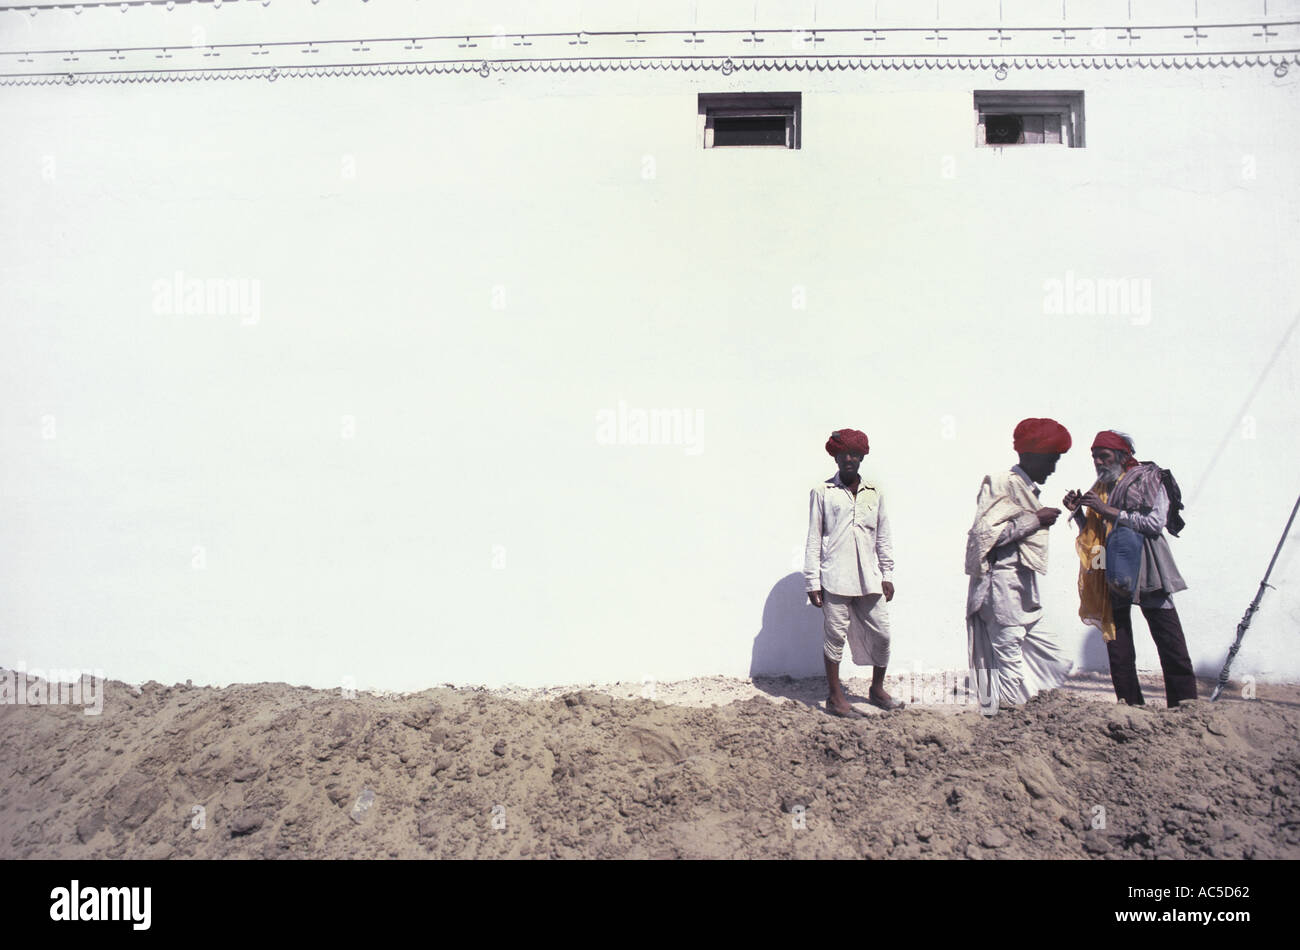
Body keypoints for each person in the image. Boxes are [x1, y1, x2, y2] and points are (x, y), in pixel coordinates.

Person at [1064, 430, 1196, 707]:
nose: (1098, 462)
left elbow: (1153, 523)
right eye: (1094, 457)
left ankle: (1185, 706)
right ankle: (1130, 706)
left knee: (1168, 637)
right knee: (1118, 644)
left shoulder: (1150, 478)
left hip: (1148, 565)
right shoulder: (1101, 487)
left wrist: (1106, 509)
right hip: (1112, 568)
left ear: (1123, 456)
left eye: (1105, 456)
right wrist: (1079, 512)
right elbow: (1095, 532)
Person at [964, 418, 1075, 711]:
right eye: (1051, 460)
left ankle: (1025, 713)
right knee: (1009, 662)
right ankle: (1006, 729)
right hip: (999, 590)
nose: (1053, 468)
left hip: (1023, 590)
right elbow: (984, 536)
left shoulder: (1026, 488)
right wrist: (1035, 520)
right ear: (1032, 456)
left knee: (1058, 659)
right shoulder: (1000, 483)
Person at [803, 428, 900, 717]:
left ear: (861, 457)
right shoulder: (822, 492)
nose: (849, 458)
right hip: (835, 577)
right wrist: (812, 580)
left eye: (855, 454)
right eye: (844, 453)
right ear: (835, 456)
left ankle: (877, 689)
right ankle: (835, 697)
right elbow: (812, 538)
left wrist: (888, 574)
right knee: (834, 637)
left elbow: (883, 535)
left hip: (869, 578)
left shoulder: (875, 493)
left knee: (882, 634)